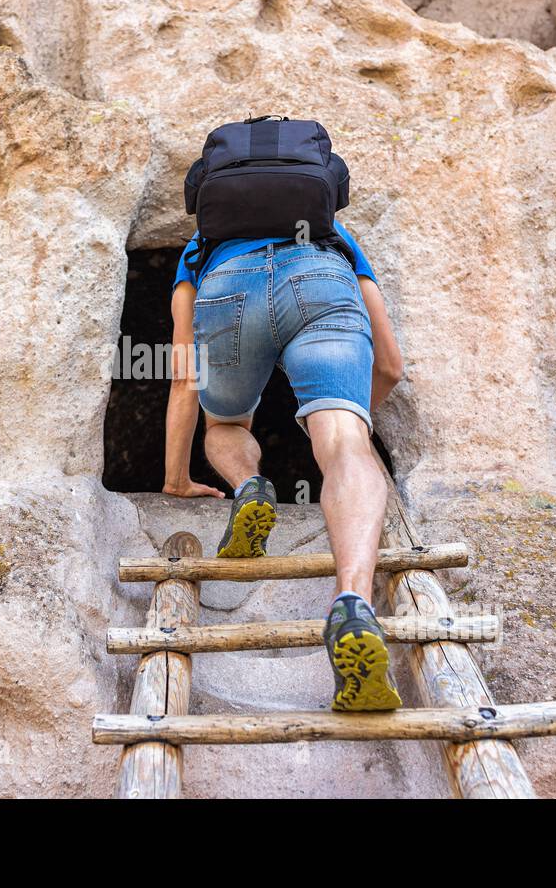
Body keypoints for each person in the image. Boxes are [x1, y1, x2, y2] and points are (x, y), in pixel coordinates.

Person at [162, 220, 406, 710]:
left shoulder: (202, 245)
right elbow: (390, 367)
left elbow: (184, 378)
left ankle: (249, 485)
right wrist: (354, 424)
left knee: (225, 425)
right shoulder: (332, 232)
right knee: (343, 442)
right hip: (319, 283)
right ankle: (352, 605)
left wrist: (175, 478)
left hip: (226, 291)